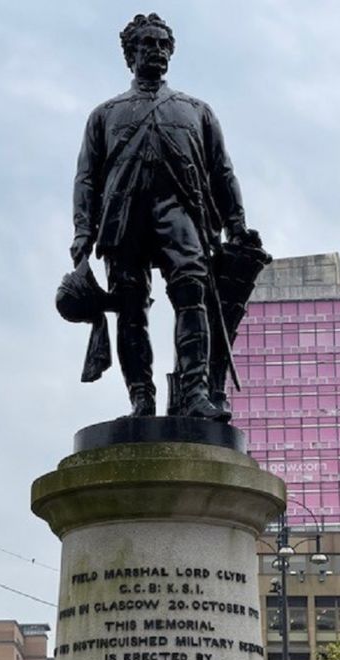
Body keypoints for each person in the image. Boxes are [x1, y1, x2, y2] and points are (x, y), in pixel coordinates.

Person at [71, 13, 264, 420]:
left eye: (162, 45)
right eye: (148, 44)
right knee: (129, 306)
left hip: (181, 212)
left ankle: (195, 394)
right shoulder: (104, 114)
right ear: (131, 53)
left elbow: (222, 171)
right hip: (123, 218)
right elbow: (87, 178)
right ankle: (141, 398)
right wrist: (82, 231)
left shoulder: (197, 110)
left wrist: (236, 224)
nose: (156, 51)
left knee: (191, 291)